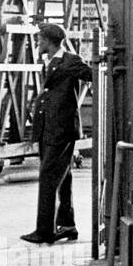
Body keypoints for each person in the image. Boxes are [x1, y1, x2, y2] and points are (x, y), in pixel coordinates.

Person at [21, 22, 92, 245]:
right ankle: (67, 225)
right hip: (48, 127)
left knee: (48, 177)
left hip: (61, 129)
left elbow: (94, 74)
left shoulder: (70, 60)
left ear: (49, 41)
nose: (37, 43)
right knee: (63, 177)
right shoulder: (50, 61)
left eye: (40, 39)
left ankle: (44, 231)